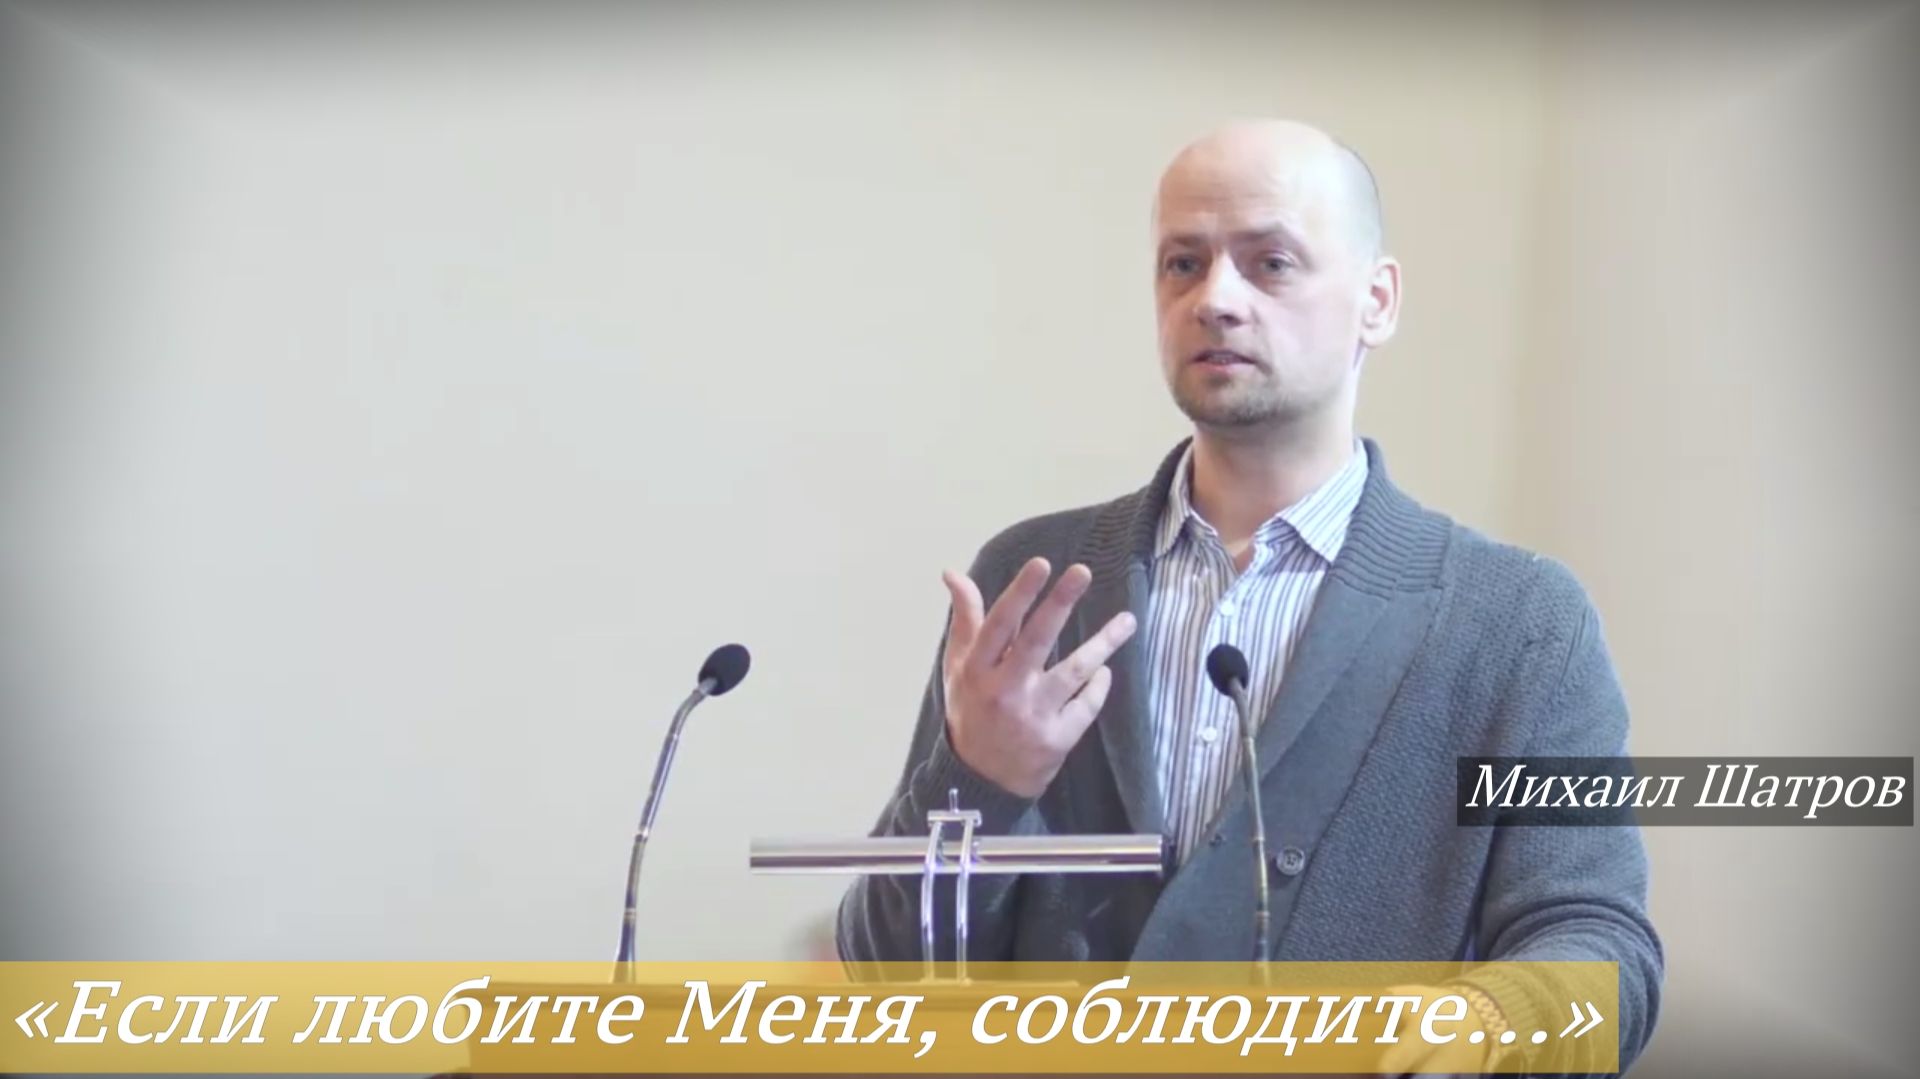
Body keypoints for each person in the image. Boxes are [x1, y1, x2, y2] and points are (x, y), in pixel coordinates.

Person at [836, 119, 1663, 1070]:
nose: (1216, 299)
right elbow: (883, 968)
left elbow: (1603, 947)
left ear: (1377, 301)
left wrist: (1492, 1017)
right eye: (1182, 264)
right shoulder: (1034, 584)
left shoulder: (1519, 623)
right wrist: (980, 781)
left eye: (1271, 263)